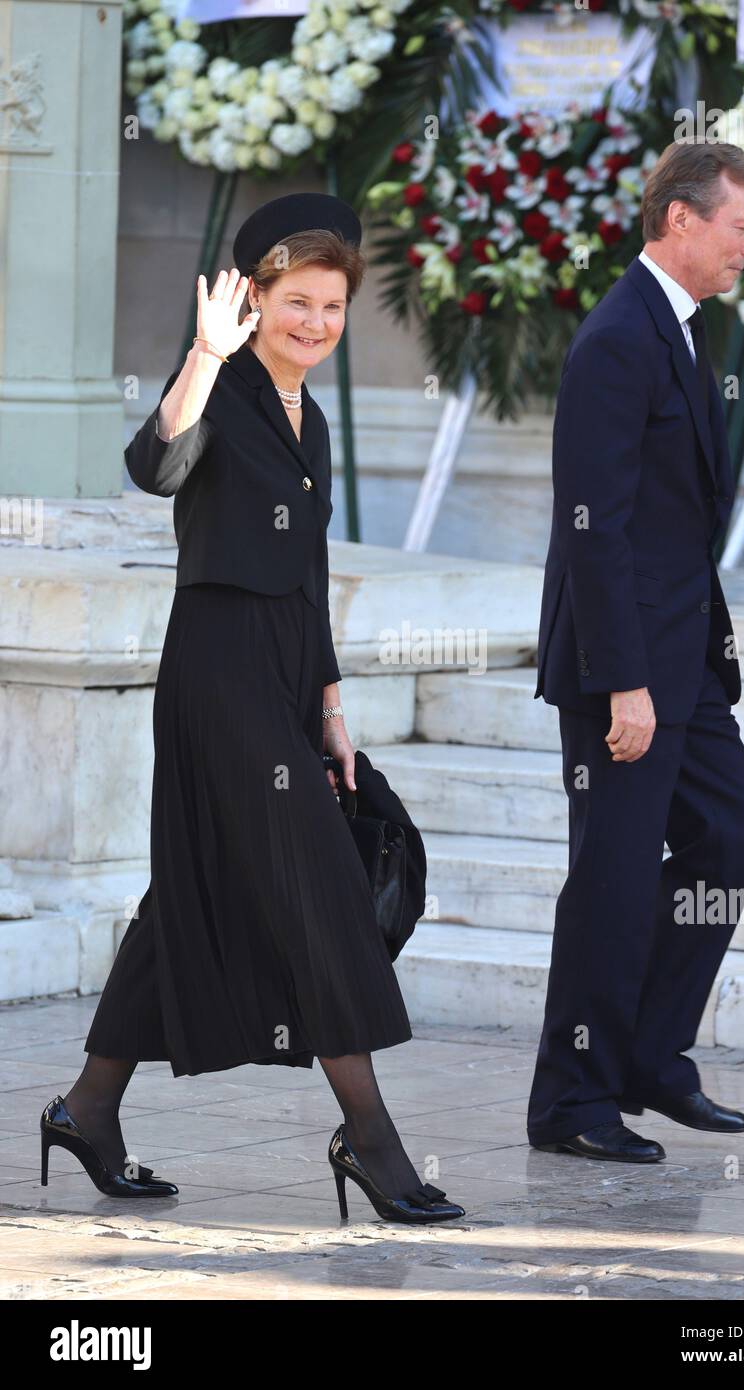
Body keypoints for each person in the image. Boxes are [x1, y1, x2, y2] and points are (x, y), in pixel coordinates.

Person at [40, 193, 464, 1225]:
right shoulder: (223, 387)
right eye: (295, 302)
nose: (315, 323)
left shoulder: (305, 413)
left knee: (189, 895)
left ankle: (88, 1110)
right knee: (319, 889)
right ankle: (370, 1141)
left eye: (331, 305)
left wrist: (327, 703)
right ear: (252, 298)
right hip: (219, 674)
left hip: (281, 675)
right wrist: (199, 356)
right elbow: (154, 465)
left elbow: (309, 572)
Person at [528, 140, 744, 1163]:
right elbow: (593, 527)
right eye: (739, 227)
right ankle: (573, 1100)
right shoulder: (618, 338)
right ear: (679, 219)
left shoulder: (680, 328)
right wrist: (621, 679)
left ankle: (650, 1057)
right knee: (614, 880)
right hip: (619, 666)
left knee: (727, 831)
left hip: (682, 659)